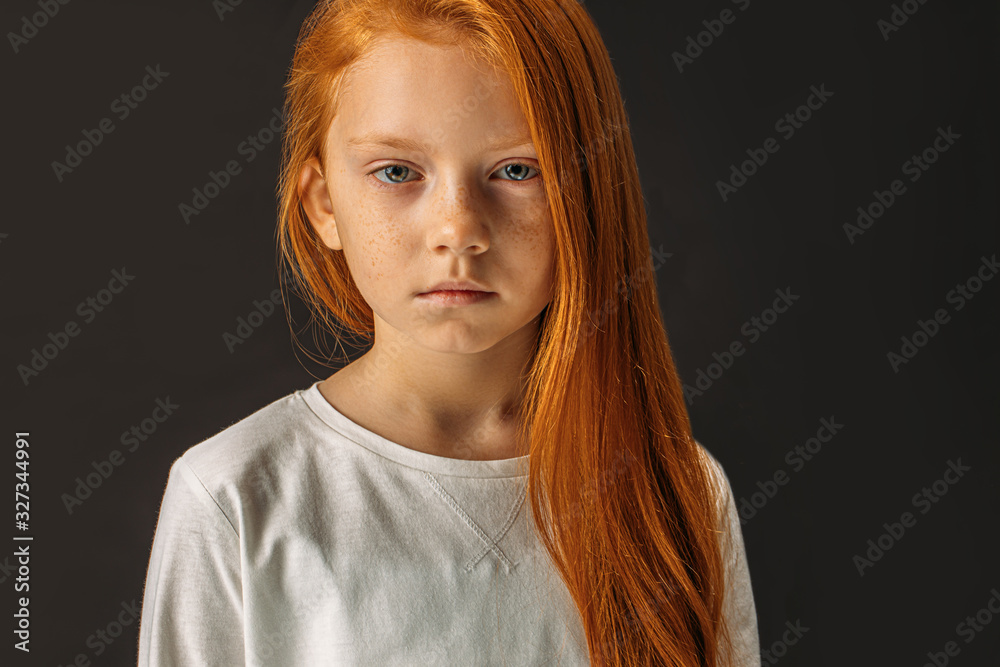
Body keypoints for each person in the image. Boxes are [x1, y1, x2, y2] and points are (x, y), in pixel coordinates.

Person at [137, 0, 760, 664]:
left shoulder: (679, 489)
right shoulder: (234, 499)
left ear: (588, 191)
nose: (458, 228)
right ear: (323, 204)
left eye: (517, 170)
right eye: (398, 172)